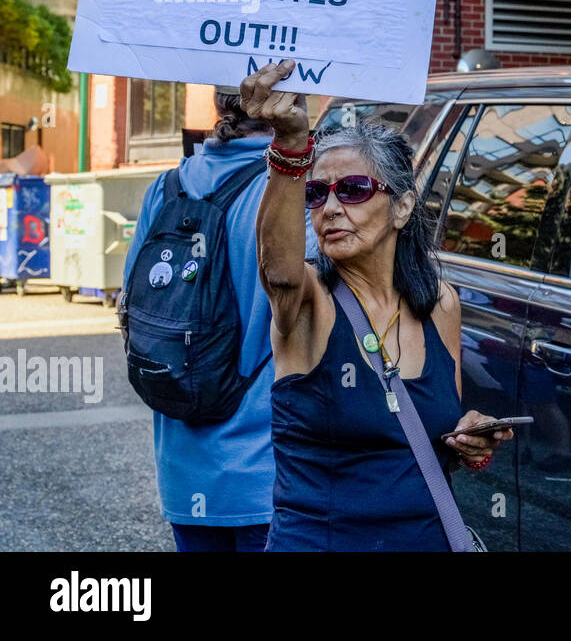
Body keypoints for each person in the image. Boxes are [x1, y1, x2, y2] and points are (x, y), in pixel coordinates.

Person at [243, 58, 513, 551]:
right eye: (317, 193)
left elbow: (437, 439)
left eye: (353, 189)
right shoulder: (308, 303)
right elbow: (277, 270)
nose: (329, 207)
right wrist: (290, 149)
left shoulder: (439, 304)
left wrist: (471, 440)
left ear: (402, 207)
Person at [120, 85, 315, 552]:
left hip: (184, 474)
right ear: (292, 105)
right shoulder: (296, 194)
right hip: (269, 476)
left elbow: (133, 311)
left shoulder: (165, 187)